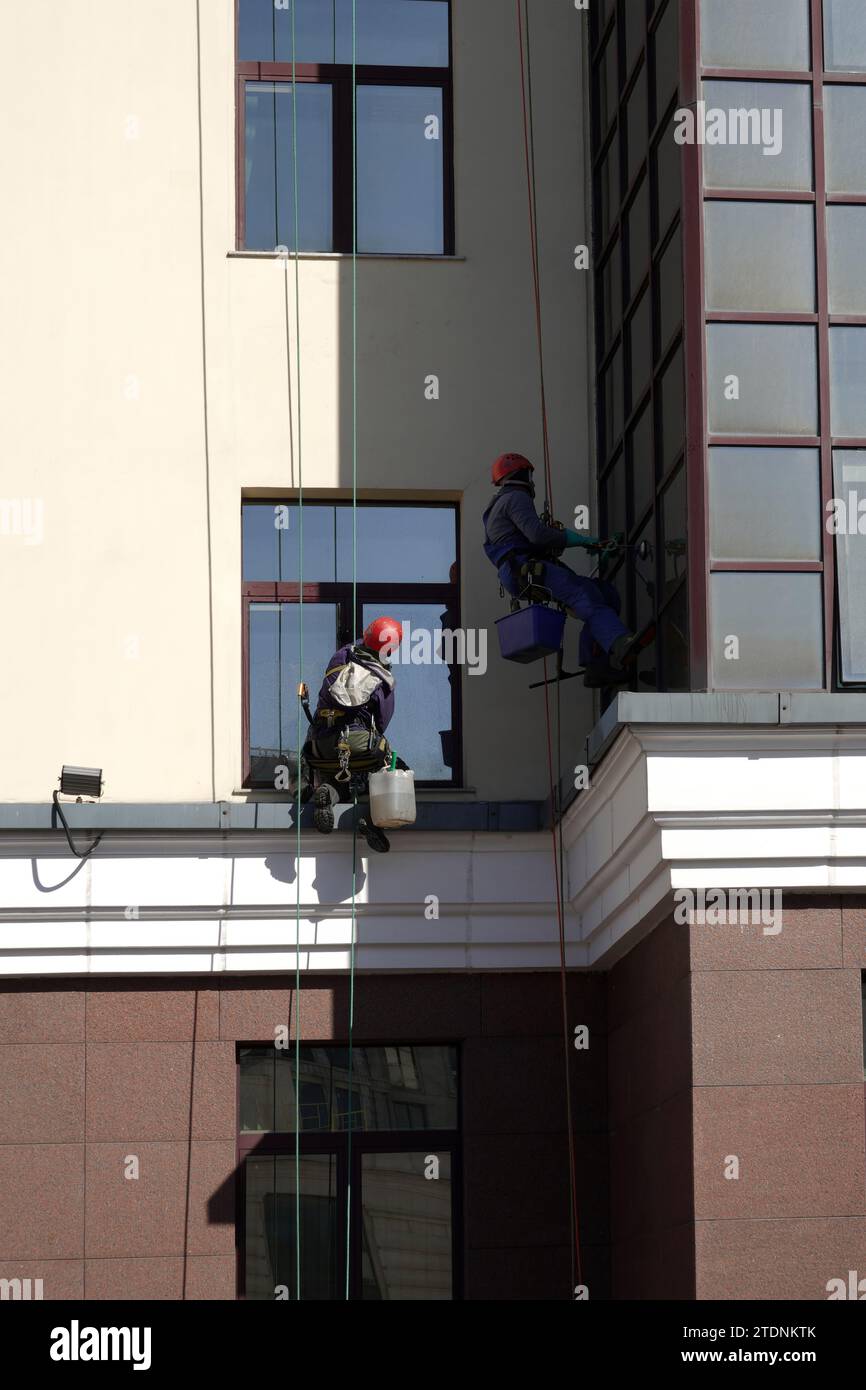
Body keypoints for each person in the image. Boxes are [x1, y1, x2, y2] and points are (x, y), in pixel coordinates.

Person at [482, 452, 640, 685]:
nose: (531, 481)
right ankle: (619, 642)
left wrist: (584, 542)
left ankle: (596, 665)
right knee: (582, 595)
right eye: (529, 474)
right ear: (519, 474)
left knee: (603, 594)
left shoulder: (500, 504)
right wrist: (573, 538)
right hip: (526, 568)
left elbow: (531, 539)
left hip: (523, 569)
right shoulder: (516, 496)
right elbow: (537, 535)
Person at [303, 616, 407, 853]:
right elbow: (382, 721)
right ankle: (373, 821)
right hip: (359, 744)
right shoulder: (383, 677)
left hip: (321, 744)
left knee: (345, 779)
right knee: (395, 771)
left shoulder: (340, 657)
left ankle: (327, 794)